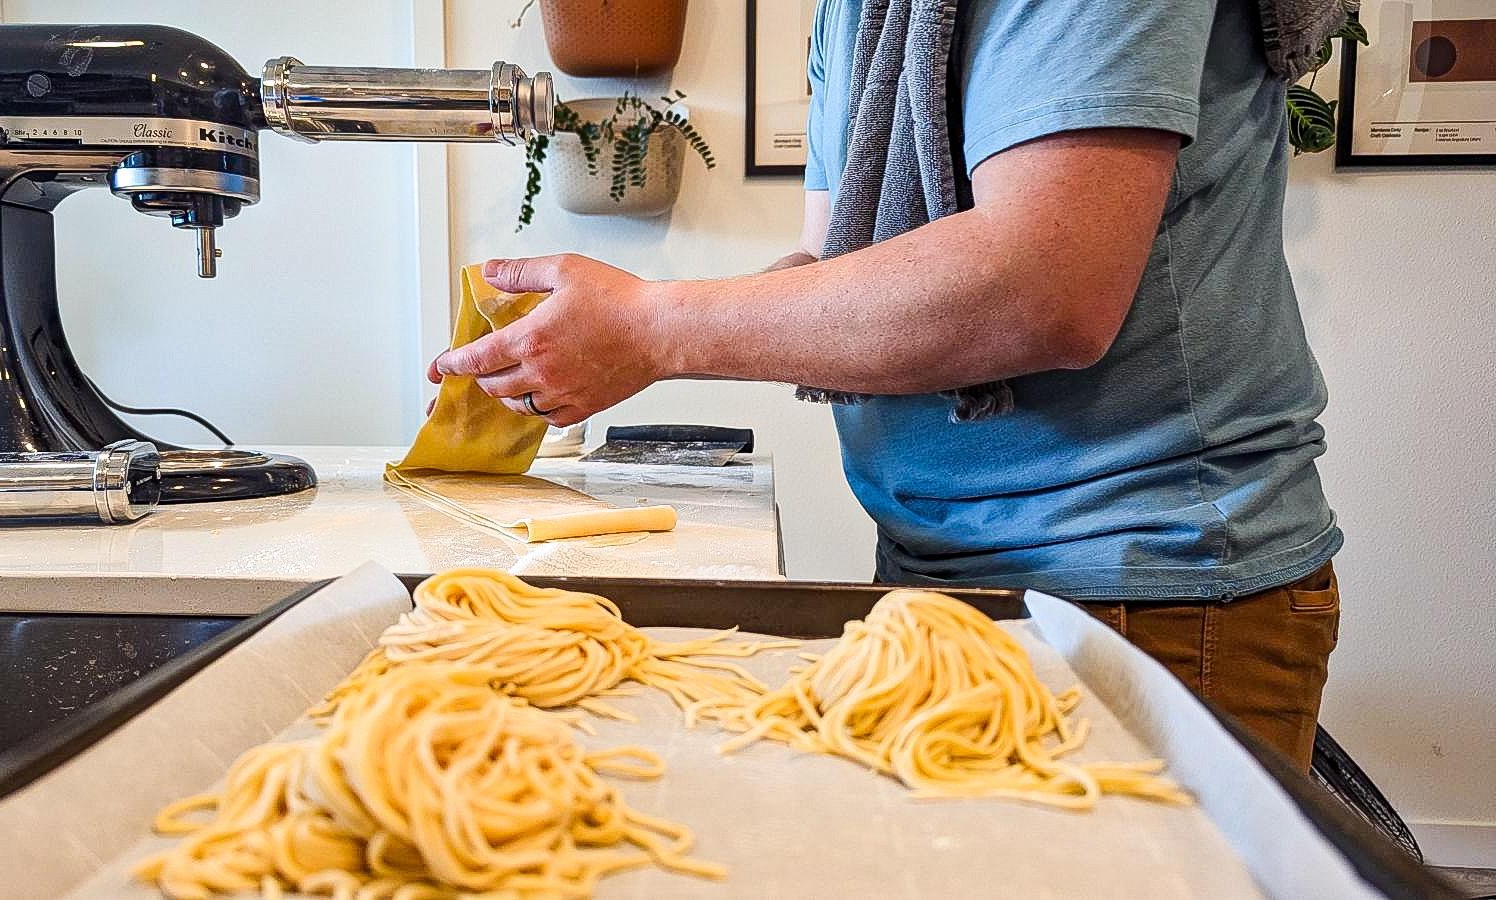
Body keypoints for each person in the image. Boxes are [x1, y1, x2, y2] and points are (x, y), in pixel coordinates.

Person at [430, 0, 1343, 769]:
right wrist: (611, 329)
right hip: (935, 572)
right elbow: (831, 264)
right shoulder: (857, 10)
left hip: (1144, 590)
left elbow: (1046, 289)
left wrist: (652, 327)